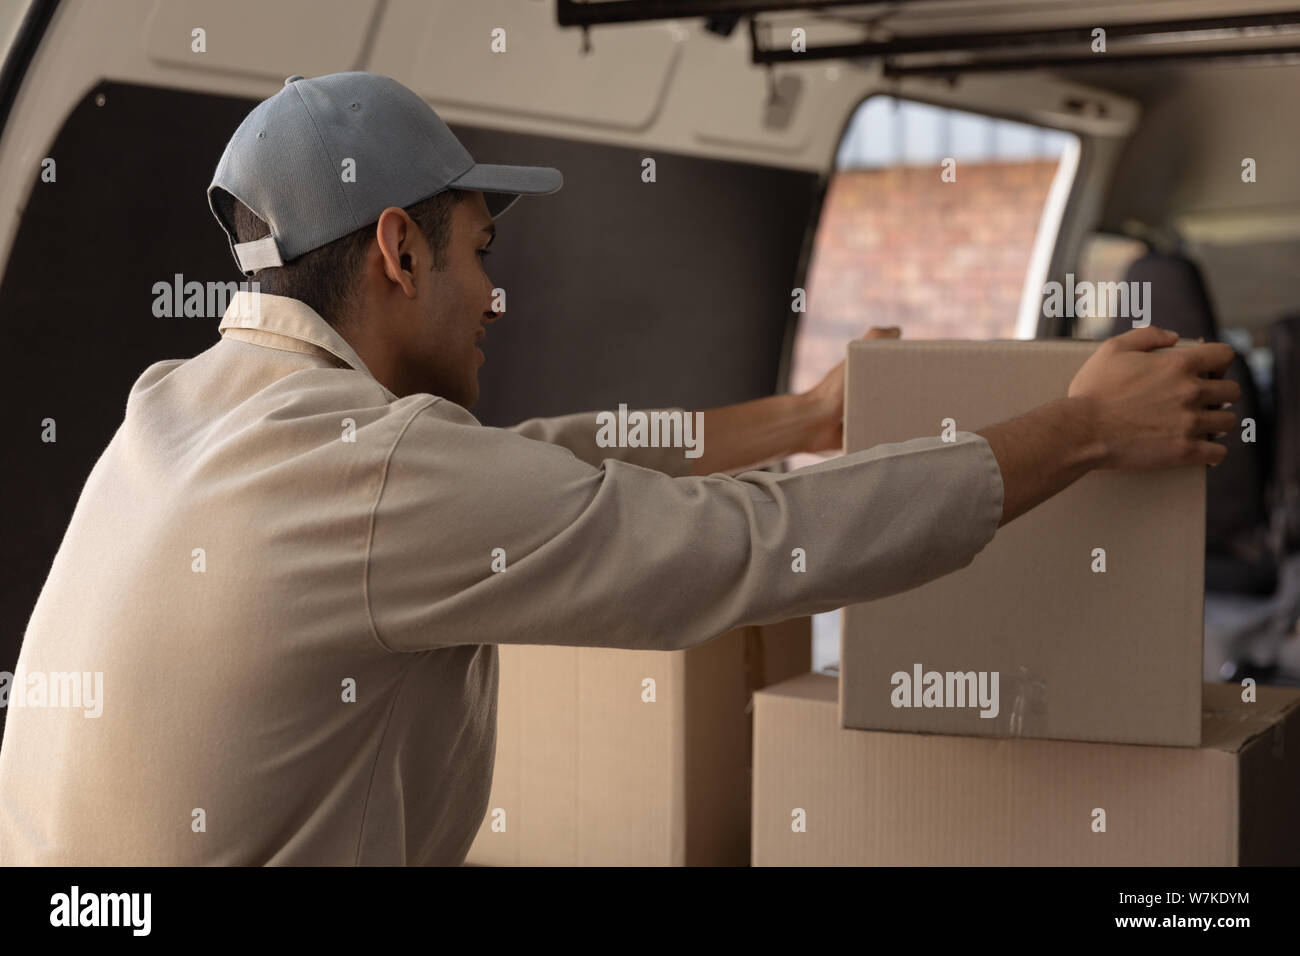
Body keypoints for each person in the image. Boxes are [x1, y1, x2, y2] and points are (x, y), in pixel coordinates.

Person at [0, 72, 1238, 866]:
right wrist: (1080, 431)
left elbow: (534, 466)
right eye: (479, 252)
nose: (496, 293)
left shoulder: (181, 409)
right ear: (395, 247)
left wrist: (802, 416)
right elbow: (744, 547)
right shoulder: (369, 475)